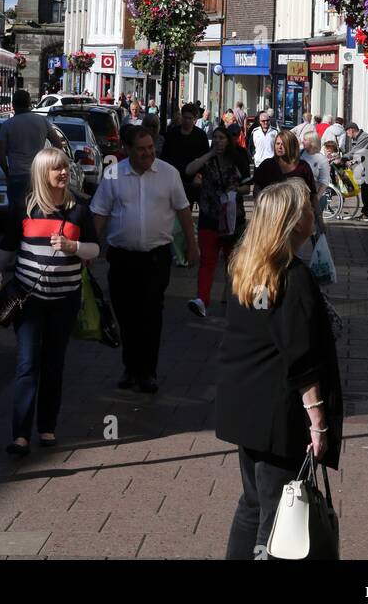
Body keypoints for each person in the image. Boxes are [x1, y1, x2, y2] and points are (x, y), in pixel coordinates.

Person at [216, 178, 343, 560]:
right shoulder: (293, 277)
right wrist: (318, 421)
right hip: (278, 414)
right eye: (307, 208)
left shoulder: (246, 267)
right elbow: (300, 357)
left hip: (245, 406)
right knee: (277, 509)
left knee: (253, 501)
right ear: (292, 221)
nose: (313, 215)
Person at [0, 147, 99, 455]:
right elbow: (7, 246)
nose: (63, 173)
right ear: (41, 174)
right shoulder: (25, 207)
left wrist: (74, 246)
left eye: (64, 167)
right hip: (29, 299)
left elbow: (96, 250)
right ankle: (20, 435)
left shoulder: (79, 209)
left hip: (65, 300)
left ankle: (47, 428)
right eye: (56, 168)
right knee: (27, 364)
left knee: (53, 365)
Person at [92, 126, 199, 393]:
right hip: (122, 258)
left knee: (151, 314)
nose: (148, 153)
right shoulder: (114, 173)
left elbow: (184, 212)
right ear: (127, 150)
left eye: (151, 147)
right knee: (126, 314)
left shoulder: (168, 173)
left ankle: (147, 372)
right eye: (141, 149)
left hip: (155, 257)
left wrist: (192, 246)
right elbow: (99, 213)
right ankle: (131, 366)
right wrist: (90, 247)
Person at [184, 124, 250, 317]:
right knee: (207, 261)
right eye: (216, 138)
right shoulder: (208, 159)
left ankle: (232, 299)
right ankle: (202, 300)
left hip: (231, 218)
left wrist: (234, 190)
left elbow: (247, 188)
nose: (219, 141)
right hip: (209, 216)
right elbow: (189, 170)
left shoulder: (238, 157)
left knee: (232, 262)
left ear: (229, 140)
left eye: (222, 138)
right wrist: (209, 155)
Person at [0, 88, 56, 212]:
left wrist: (7, 173)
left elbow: (1, 154)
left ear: (13, 104)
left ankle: (17, 230)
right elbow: (58, 145)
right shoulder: (42, 121)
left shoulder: (7, 125)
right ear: (29, 103)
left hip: (16, 174)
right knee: (37, 210)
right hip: (38, 174)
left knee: (16, 211)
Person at [160, 102, 210, 207]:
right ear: (181, 117)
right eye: (185, 117)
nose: (187, 121)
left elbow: (205, 158)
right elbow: (165, 156)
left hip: (193, 181)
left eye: (190, 118)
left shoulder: (200, 135)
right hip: (173, 178)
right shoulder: (172, 133)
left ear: (194, 119)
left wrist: (200, 175)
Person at [252, 128, 317, 204]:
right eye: (277, 143)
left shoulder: (303, 167)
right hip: (271, 212)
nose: (279, 147)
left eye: (283, 144)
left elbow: (312, 194)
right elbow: (257, 191)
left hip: (296, 212)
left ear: (291, 145)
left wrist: (316, 213)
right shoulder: (267, 165)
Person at [346, 122, 368, 222]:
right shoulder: (359, 138)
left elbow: (357, 151)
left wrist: (344, 158)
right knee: (367, 191)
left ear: (351, 130)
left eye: (347, 133)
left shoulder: (364, 137)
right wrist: (352, 161)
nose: (348, 136)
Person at [300, 130, 332, 200]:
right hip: (298, 194)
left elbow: (325, 181)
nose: (302, 141)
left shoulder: (322, 159)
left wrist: (317, 197)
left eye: (305, 140)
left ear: (312, 142)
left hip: (311, 196)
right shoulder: (300, 152)